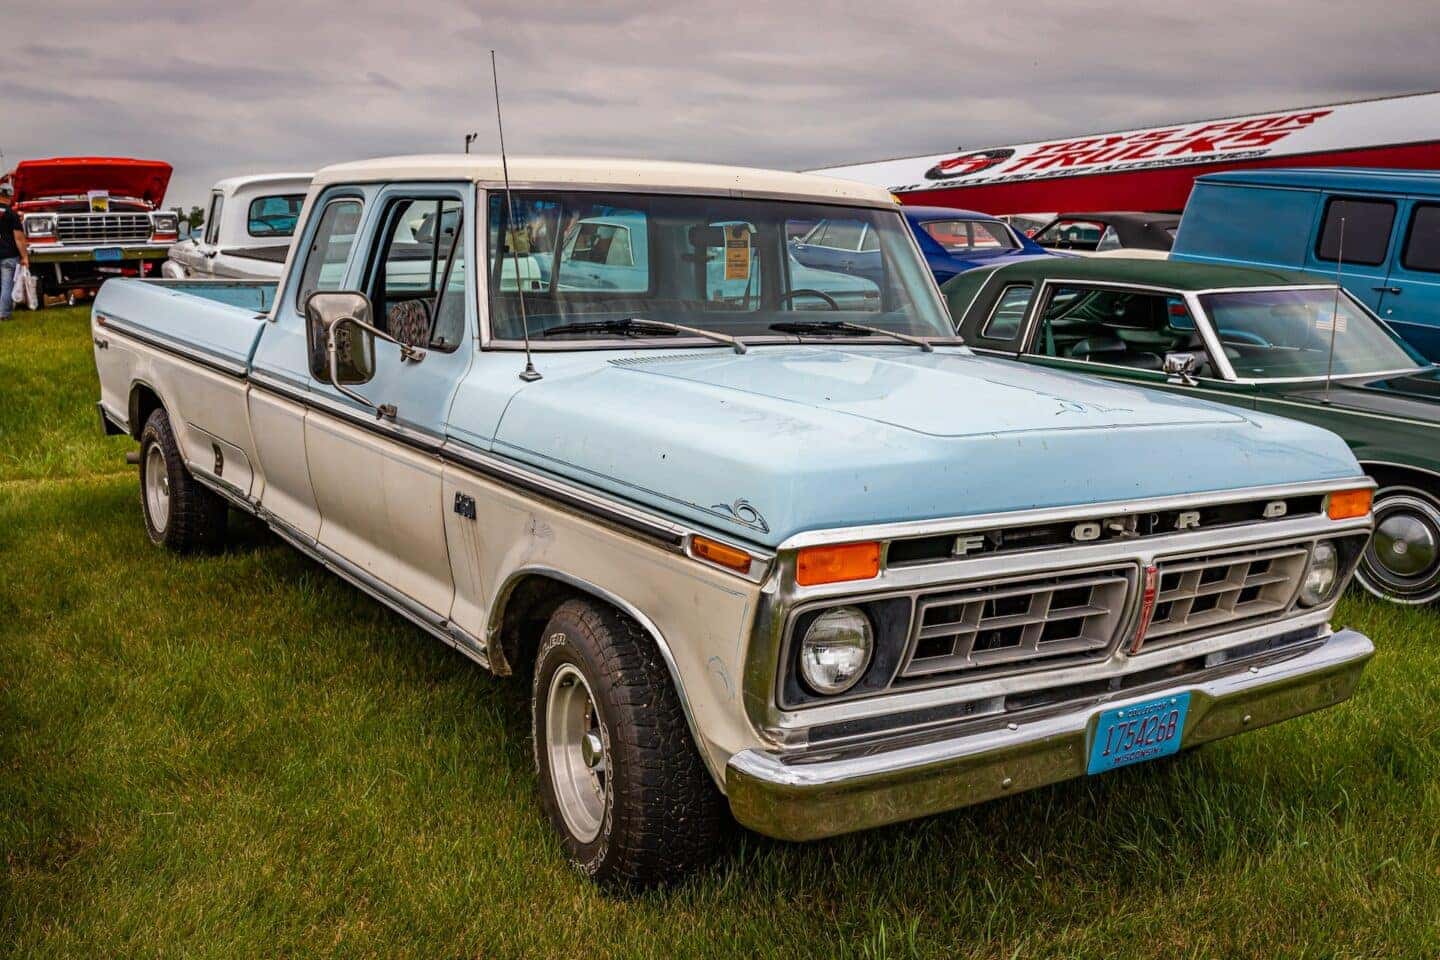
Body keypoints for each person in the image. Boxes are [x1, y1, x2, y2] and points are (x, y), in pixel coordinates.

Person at [0, 181, 30, 319]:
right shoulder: (12, 214)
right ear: (10, 196)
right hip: (9, 256)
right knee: (7, 285)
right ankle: (4, 314)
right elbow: (18, 238)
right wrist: (24, 257)